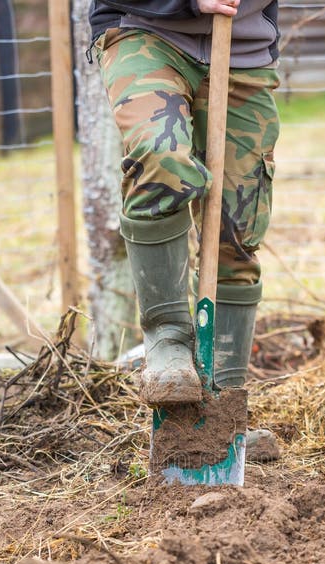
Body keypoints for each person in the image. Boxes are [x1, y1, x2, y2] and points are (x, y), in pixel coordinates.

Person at [88, 1, 280, 458]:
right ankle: (167, 340)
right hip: (147, 30)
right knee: (160, 157)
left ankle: (221, 416)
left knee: (239, 225)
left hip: (241, 49)